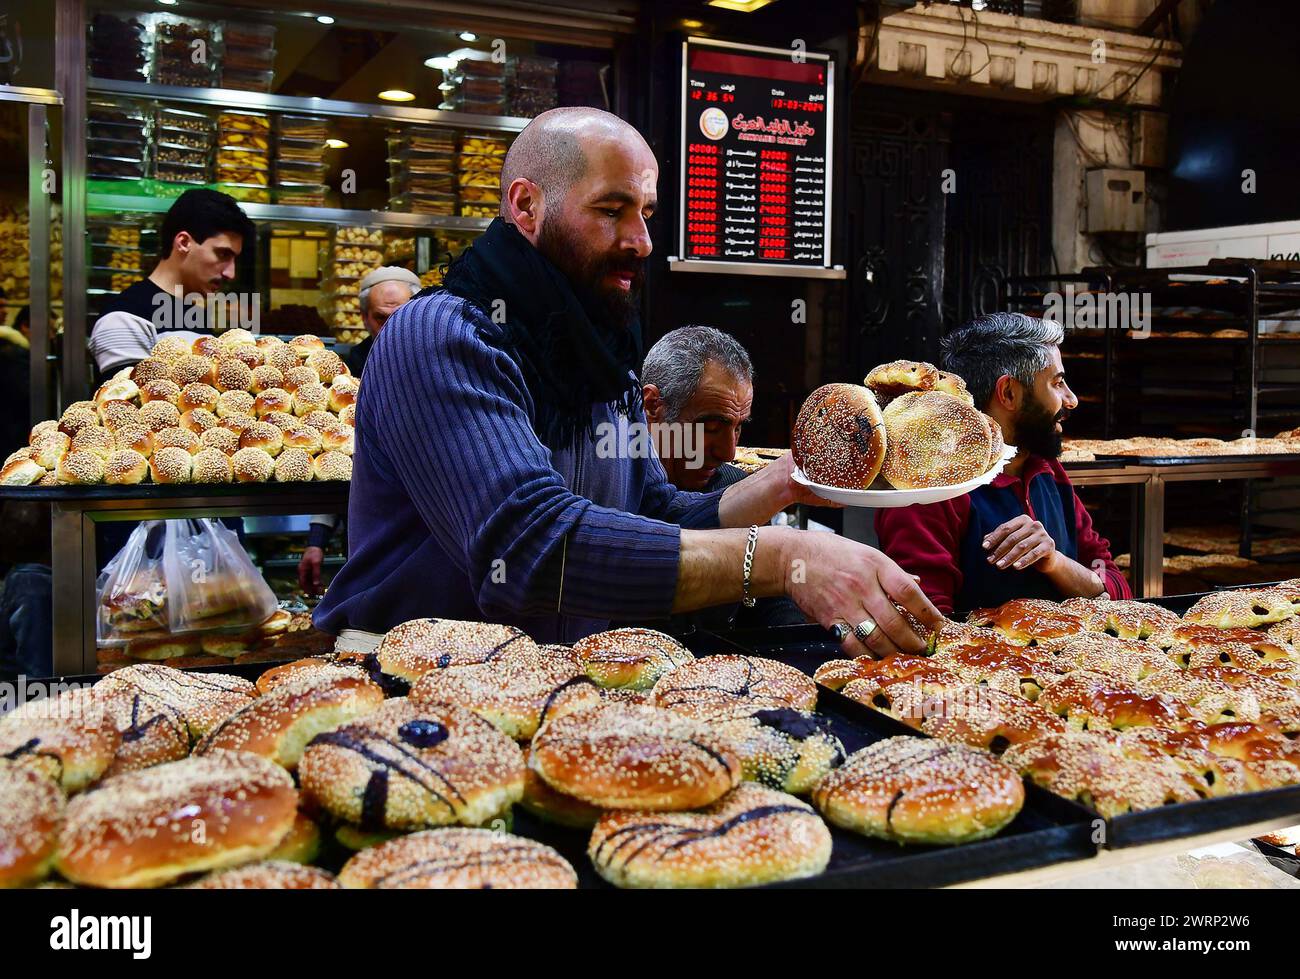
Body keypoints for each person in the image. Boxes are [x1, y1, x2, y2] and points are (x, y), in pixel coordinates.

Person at [313, 106, 938, 656]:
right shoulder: (443, 336)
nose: (639, 240)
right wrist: (784, 559)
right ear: (526, 205)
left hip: (563, 684)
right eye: (611, 210)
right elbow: (532, 549)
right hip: (409, 684)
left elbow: (652, 511)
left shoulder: (600, 351)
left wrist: (785, 483)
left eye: (646, 213)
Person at [876, 312, 1131, 617]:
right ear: (1009, 392)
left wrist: (1056, 563)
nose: (1072, 399)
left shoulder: (1046, 470)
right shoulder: (929, 491)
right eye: (1057, 383)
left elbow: (1117, 589)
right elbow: (924, 624)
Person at [641, 324, 803, 629]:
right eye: (710, 428)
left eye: (738, 427)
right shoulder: (612, 491)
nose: (728, 452)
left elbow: (774, 603)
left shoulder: (736, 485)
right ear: (652, 406)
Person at [298, 266, 421, 595]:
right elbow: (335, 456)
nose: (393, 328)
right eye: (382, 319)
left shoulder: (435, 363)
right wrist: (317, 540)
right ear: (365, 318)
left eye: (404, 315)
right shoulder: (348, 371)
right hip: (368, 526)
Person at [88, 188, 256, 381]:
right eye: (223, 254)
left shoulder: (193, 314)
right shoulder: (125, 319)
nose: (231, 273)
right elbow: (129, 404)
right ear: (183, 242)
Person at [342, 265, 421, 376]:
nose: (390, 327)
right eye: (381, 318)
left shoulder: (436, 356)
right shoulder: (354, 363)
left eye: (401, 317)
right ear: (364, 317)